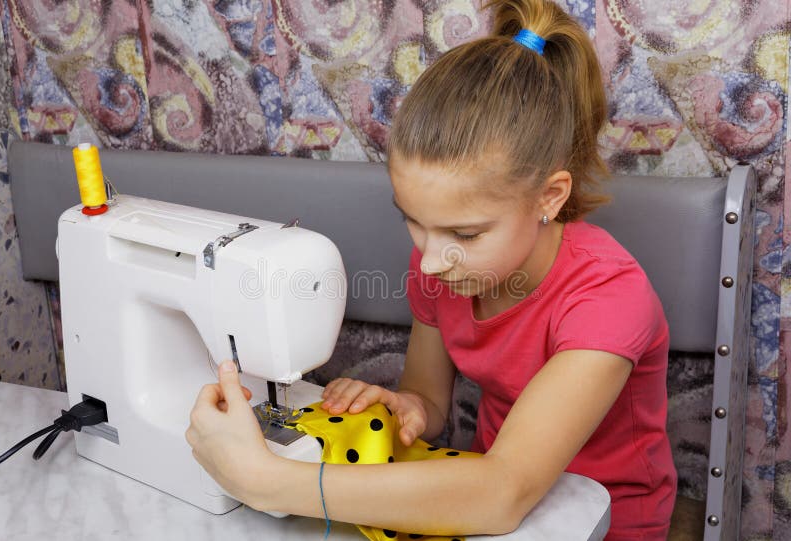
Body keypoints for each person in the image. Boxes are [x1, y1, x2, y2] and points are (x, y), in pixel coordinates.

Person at [184, 0, 678, 538]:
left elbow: (503, 490)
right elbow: (431, 402)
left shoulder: (608, 296)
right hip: (491, 505)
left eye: (466, 235)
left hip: (602, 520)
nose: (434, 259)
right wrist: (407, 407)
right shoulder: (444, 267)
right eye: (414, 221)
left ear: (550, 197)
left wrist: (265, 480)